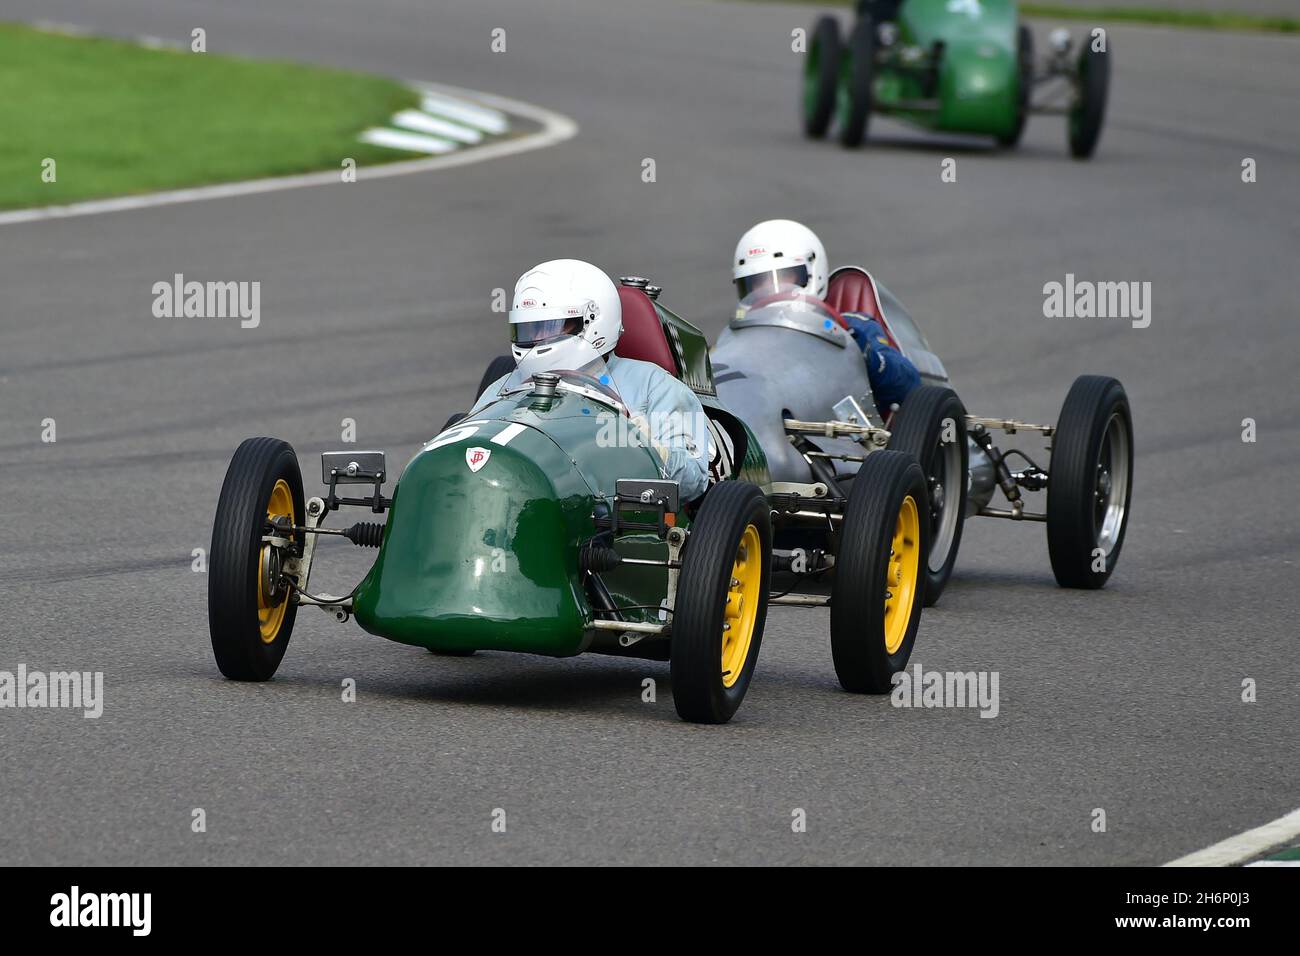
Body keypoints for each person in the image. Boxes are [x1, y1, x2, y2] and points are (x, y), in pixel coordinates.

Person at [472, 258, 712, 502]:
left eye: (548, 327)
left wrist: (652, 449)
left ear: (592, 322)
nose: (536, 339)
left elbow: (695, 480)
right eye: (528, 329)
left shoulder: (654, 386)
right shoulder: (504, 387)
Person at [730, 219, 920, 413]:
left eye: (784, 277)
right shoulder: (740, 343)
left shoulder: (853, 326)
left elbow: (909, 385)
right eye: (756, 284)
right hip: (764, 428)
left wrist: (865, 354)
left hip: (839, 432)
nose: (770, 292)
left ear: (812, 273)